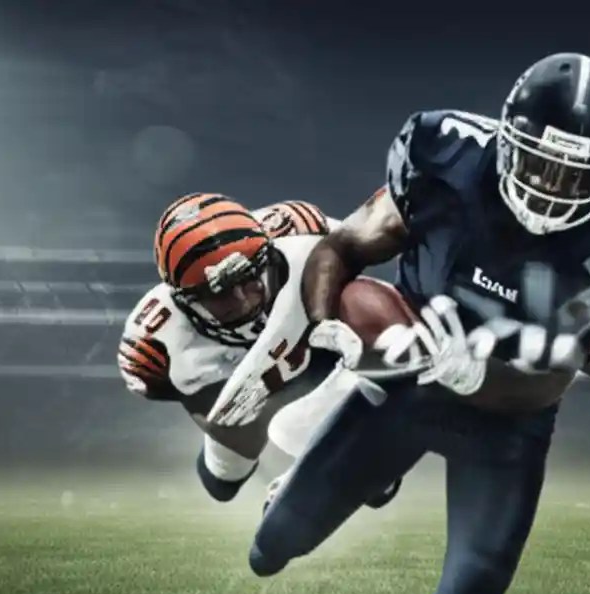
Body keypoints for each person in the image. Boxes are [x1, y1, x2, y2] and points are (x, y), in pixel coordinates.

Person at [227, 53, 590, 594]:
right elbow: (342, 247)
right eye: (541, 162)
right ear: (503, 140)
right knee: (269, 549)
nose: (554, 187)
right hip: (408, 375)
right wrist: (326, 325)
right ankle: (369, 474)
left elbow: (552, 378)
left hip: (510, 415)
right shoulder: (443, 159)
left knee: (475, 588)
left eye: (579, 175)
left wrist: (475, 376)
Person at [117, 193, 402, 509]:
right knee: (222, 480)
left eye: (249, 278)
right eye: (219, 294)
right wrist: (243, 405)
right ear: (185, 301)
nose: (242, 299)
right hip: (233, 378)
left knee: (356, 300)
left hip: (313, 345)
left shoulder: (302, 232)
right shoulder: (158, 340)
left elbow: (351, 266)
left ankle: (354, 450)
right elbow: (199, 403)